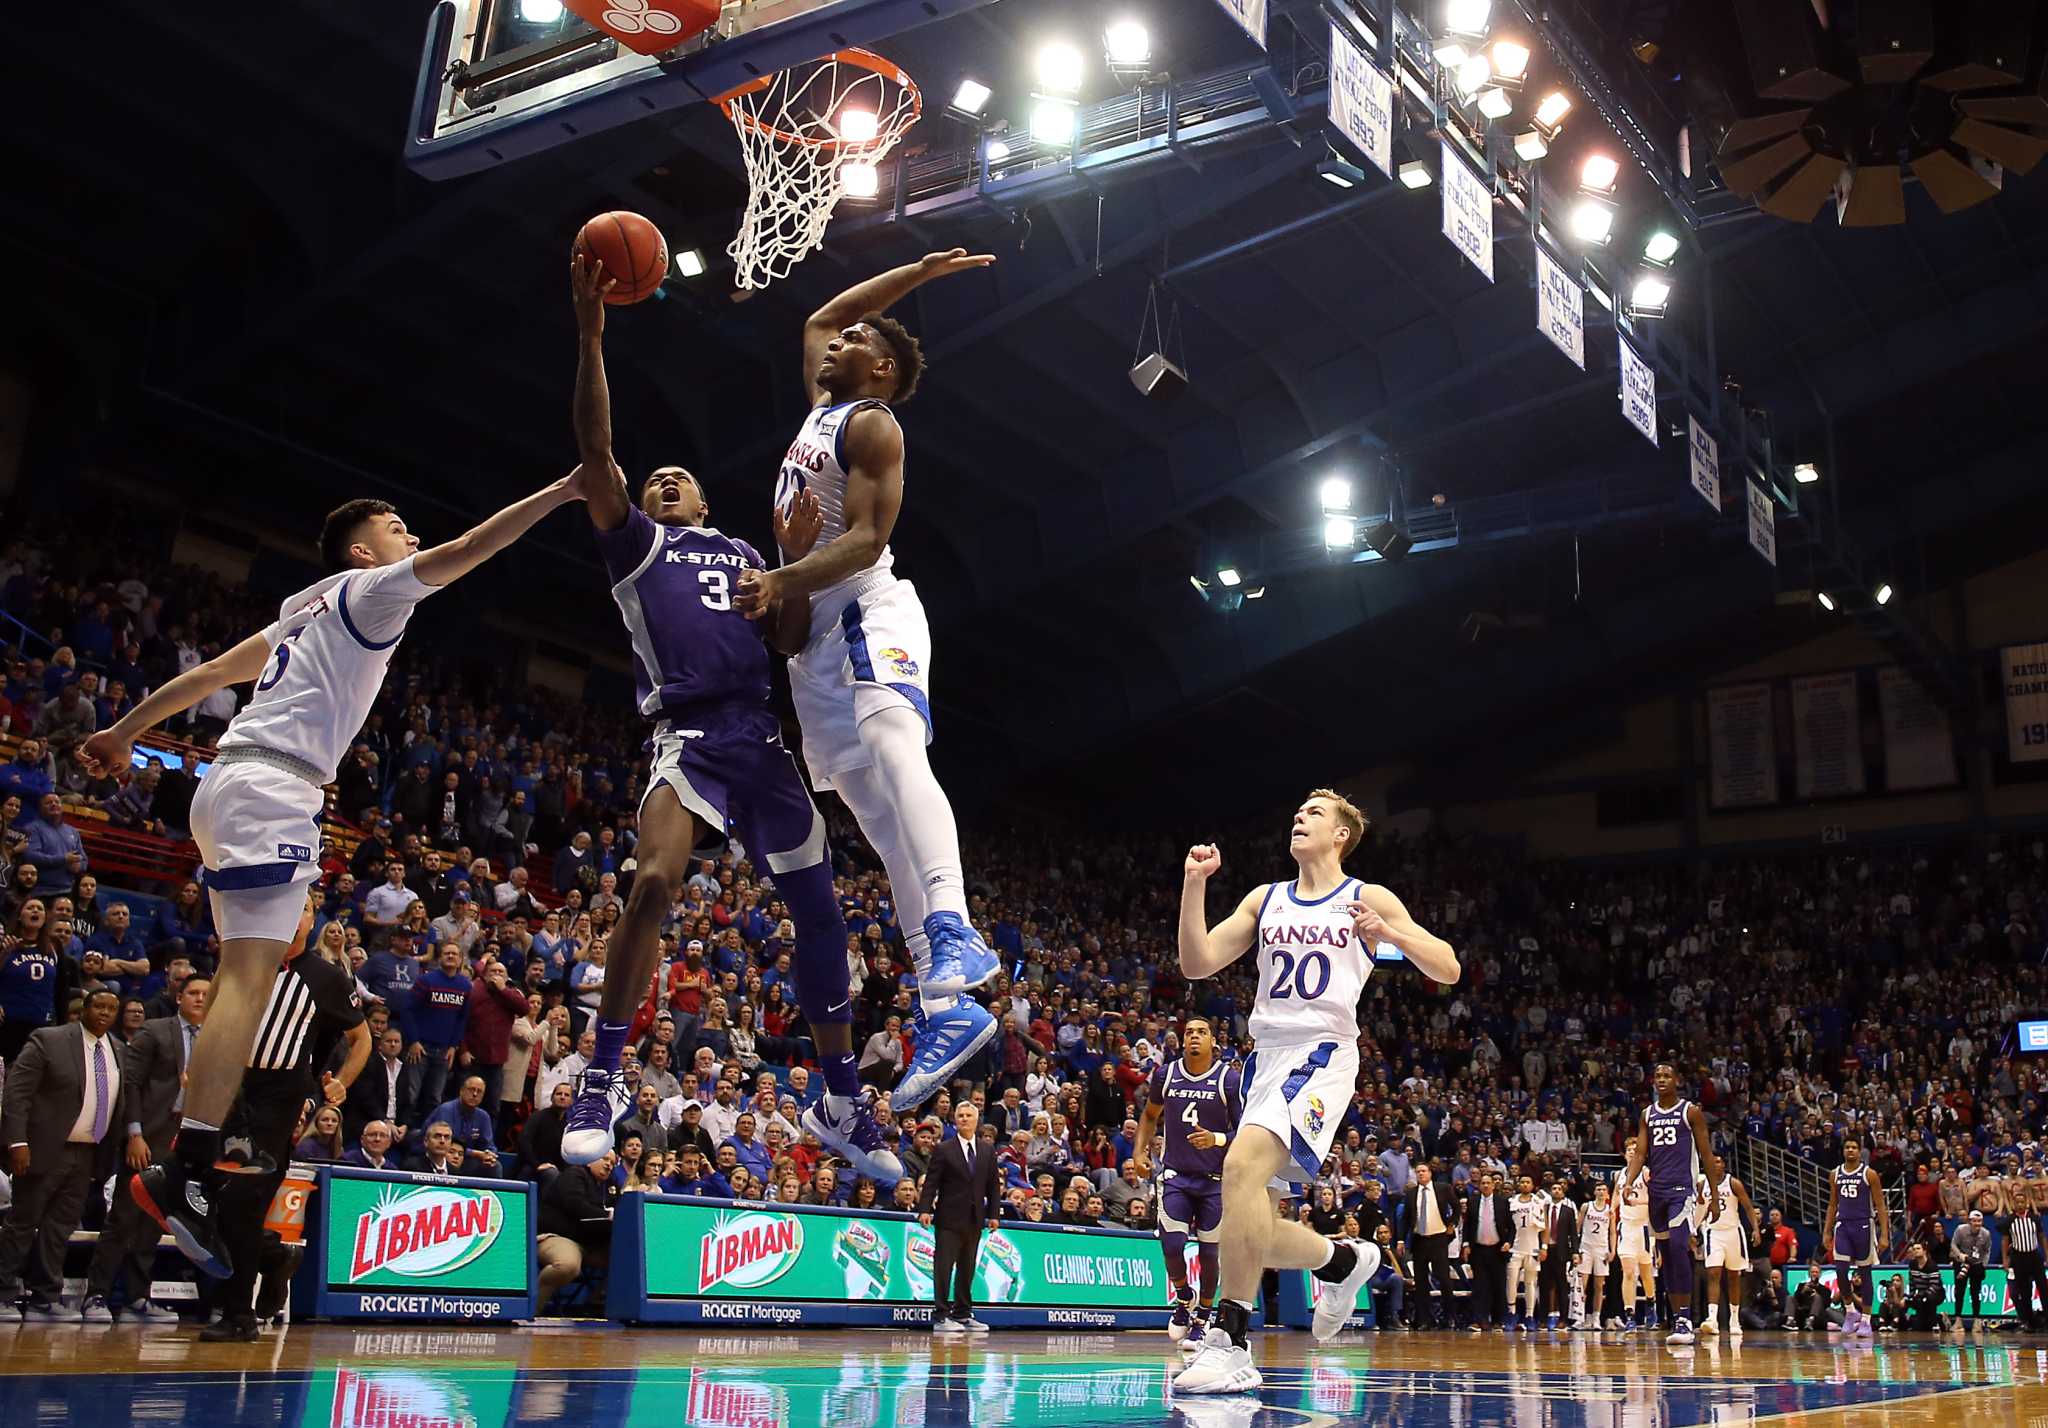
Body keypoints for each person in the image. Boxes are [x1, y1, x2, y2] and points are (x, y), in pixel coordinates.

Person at [80, 470, 586, 1279]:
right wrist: (561, 493)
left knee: (245, 976)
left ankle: (194, 1165)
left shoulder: (298, 611)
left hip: (228, 785)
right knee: (248, 983)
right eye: (397, 525)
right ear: (362, 549)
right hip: (275, 786)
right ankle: (188, 1170)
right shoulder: (368, 591)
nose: (411, 537)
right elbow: (468, 549)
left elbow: (210, 675)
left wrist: (122, 729)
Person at [557, 257, 899, 1190]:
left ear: (706, 501)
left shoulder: (749, 548)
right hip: (691, 736)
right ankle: (601, 1076)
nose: (665, 485)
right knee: (654, 882)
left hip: (763, 736)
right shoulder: (636, 544)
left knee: (822, 911)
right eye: (655, 479)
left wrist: (791, 567)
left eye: (679, 479)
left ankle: (838, 1096)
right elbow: (597, 449)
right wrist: (592, 331)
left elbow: (790, 635)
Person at [730, 250, 1010, 1111]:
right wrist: (916, 273)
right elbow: (823, 314)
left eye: (855, 341)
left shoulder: (873, 426)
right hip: (812, 642)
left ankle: (955, 929)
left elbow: (864, 536)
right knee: (875, 816)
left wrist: (783, 578)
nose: (832, 341)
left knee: (896, 747)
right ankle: (945, 1002)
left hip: (864, 608)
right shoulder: (823, 400)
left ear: (880, 370)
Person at [1174, 790, 1457, 1395]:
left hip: (1322, 1053)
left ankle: (1229, 1342)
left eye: (1313, 814)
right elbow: (1197, 963)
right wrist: (1194, 885)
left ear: (1340, 836)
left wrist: (1389, 934)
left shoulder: (1366, 897)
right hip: (1263, 1059)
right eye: (1297, 812)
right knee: (1256, 1225)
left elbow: (1449, 967)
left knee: (1240, 1168)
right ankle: (1344, 1262)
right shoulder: (1265, 898)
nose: (1299, 818)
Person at [204, 893, 370, 1340]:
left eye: (305, 910)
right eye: (289, 908)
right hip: (233, 1089)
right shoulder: (247, 959)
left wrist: (340, 1086)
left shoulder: (327, 977)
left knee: (244, 1199)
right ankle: (273, 1256)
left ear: (313, 923)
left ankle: (238, 1314)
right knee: (215, 1198)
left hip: (282, 1096)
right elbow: (212, 1013)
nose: (295, 917)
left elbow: (363, 1040)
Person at [81, 973, 209, 1321]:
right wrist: (134, 1133)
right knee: (123, 1217)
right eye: (193, 992)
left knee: (156, 1221)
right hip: (149, 1136)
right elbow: (132, 1084)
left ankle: (137, 1298)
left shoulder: (216, 1039)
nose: (199, 999)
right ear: (179, 997)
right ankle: (96, 1294)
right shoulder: (156, 1030)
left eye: (205, 995)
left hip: (187, 1143)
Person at [0, 988, 124, 1316]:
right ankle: (3, 1292)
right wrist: (16, 1141)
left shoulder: (119, 1050)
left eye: (112, 1008)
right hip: (43, 1148)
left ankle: (45, 1297)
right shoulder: (49, 1039)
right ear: (83, 1008)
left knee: (60, 1228)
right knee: (23, 1223)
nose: (104, 1012)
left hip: (88, 1153)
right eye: (98, 1005)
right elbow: (17, 1092)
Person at [1131, 1015, 1241, 1355]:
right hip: (1176, 1176)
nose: (1194, 1037)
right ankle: (1184, 1297)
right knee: (1172, 1247)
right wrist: (1139, 1151)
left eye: (1201, 1032)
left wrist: (1218, 1138)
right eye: (1189, 1032)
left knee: (1209, 1254)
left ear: (1212, 1042)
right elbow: (1149, 1115)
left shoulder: (1229, 1079)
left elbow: (1246, 1131)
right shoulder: (1166, 1074)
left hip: (1215, 1182)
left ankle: (1204, 1317)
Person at [1621, 1063, 1720, 1346]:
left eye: (1667, 1075)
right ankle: (1678, 1318)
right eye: (1658, 1076)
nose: (1662, 1080)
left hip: (1682, 1191)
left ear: (1676, 1080)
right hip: (1657, 1193)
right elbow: (1640, 1152)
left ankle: (1686, 1318)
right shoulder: (1647, 1115)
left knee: (1678, 1246)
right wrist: (1629, 1181)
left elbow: (1706, 1154)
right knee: (1666, 1257)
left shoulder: (1690, 1112)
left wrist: (1712, 1195)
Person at [917, 1100, 1003, 1336]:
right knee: (943, 1267)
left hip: (975, 1219)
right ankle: (941, 1315)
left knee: (967, 1268)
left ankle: (963, 1313)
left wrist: (994, 1214)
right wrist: (925, 1209)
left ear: (976, 1120)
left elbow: (993, 1185)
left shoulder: (986, 1150)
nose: (963, 1118)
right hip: (948, 1218)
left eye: (968, 1115)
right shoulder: (944, 1149)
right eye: (960, 1115)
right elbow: (931, 1182)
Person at [1822, 1136, 1887, 1338]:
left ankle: (1866, 1321)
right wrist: (1827, 1230)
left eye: (1854, 1147)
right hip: (1843, 1226)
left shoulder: (1869, 1174)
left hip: (1864, 1225)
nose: (1850, 1150)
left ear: (1860, 1152)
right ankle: (1850, 1312)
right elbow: (1832, 1204)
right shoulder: (1835, 1174)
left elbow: (1880, 1206)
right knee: (1840, 1271)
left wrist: (1884, 1234)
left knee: (1865, 1273)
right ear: (1843, 1151)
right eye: (1847, 1147)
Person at [1697, 1152, 1760, 1340]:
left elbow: (1748, 1207)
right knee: (1713, 1273)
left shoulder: (1734, 1183)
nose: (1715, 1164)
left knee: (1734, 1276)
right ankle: (1712, 1319)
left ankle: (1734, 1319)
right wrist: (1693, 1230)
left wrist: (1755, 1229)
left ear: (1724, 1164)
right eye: (1712, 1161)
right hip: (1713, 1233)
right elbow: (1699, 1208)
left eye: (1718, 1161)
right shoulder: (1702, 1185)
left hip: (1733, 1232)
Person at [1406, 1163, 1458, 1329]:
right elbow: (1405, 1218)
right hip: (1419, 1240)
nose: (1421, 1174)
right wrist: (1401, 1239)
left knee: (1444, 1279)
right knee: (1421, 1283)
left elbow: (1456, 1207)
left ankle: (1449, 1317)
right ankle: (1423, 1320)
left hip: (1439, 1239)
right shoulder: (1411, 1193)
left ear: (1430, 1173)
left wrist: (1452, 1224)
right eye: (1418, 1171)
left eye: (1423, 1171)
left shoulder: (1443, 1188)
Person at [1464, 1171, 1515, 1333]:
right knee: (1480, 1287)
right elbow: (1467, 1226)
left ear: (1493, 1185)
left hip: (1497, 1250)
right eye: (1483, 1183)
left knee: (1498, 1286)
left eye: (1488, 1183)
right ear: (1479, 1186)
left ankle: (1498, 1321)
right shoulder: (1473, 1202)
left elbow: (1512, 1227)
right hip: (1478, 1250)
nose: (1485, 1185)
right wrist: (1466, 1244)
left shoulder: (1502, 1202)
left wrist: (1508, 1242)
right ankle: (1480, 1320)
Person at [2002, 1181, 2047, 1333]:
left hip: (2034, 1257)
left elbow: (2042, 1237)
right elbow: (2005, 1240)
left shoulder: (2034, 1218)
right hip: (2019, 1259)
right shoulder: (2009, 1220)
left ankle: (2046, 1319)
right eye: (2017, 1202)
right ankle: (2029, 1322)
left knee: (2043, 1288)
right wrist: (2005, 1260)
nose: (2020, 1205)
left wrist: (2047, 1255)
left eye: (2022, 1202)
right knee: (2024, 1292)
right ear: (2013, 1203)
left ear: (2026, 1203)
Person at [1615, 1167, 1656, 1332]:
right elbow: (1616, 1196)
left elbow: (1656, 1198)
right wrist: (1612, 1209)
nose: (1632, 1152)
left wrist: (1638, 1202)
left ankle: (1651, 1303)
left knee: (1646, 1274)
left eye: (1634, 1149)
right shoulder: (1620, 1174)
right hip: (1626, 1227)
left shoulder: (1646, 1173)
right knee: (1629, 1272)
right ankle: (1629, 1315)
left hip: (1644, 1227)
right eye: (1628, 1150)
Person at [1505, 1173, 1548, 1331]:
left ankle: (1530, 1316)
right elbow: (1507, 1226)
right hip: (1515, 1248)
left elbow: (1545, 1227)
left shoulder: (1539, 1202)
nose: (1524, 1184)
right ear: (1518, 1184)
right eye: (1522, 1182)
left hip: (1533, 1247)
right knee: (1512, 1281)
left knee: (1531, 1282)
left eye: (1527, 1182)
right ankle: (1511, 1313)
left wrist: (1544, 1247)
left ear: (1532, 1185)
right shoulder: (1511, 1202)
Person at [1572, 1179, 1614, 1330]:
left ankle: (1596, 1318)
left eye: (1604, 1190)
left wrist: (1612, 1250)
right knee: (1582, 1285)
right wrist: (1575, 1250)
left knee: (1599, 1286)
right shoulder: (1586, 1206)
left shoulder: (1610, 1211)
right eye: (1599, 1189)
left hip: (1601, 1250)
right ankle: (1580, 1317)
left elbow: (1612, 1233)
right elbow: (1577, 1228)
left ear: (1607, 1193)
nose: (1601, 1192)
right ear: (1594, 1192)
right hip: (1586, 1248)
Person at [1951, 1209, 1993, 1333]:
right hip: (1962, 1263)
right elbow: (1953, 1245)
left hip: (1976, 1264)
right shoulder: (1960, 1230)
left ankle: (1977, 1321)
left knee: (1976, 1293)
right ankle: (1958, 1320)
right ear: (1969, 1221)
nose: (1977, 1224)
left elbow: (1987, 1250)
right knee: (1959, 1292)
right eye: (1974, 1221)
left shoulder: (1986, 1234)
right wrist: (1960, 1255)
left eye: (1979, 1221)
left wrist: (1983, 1265)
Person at [1367, 1220, 1412, 1332]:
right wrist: (1402, 1279)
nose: (1383, 1235)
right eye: (1380, 1233)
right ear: (1376, 1236)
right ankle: (1394, 1317)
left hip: (1392, 1278)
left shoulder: (1394, 1250)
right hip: (1376, 1278)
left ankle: (1414, 1318)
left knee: (1417, 1282)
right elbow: (1379, 1268)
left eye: (1386, 1232)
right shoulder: (1374, 1249)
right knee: (1396, 1279)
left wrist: (1409, 1278)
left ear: (1390, 1234)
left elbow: (1403, 1266)